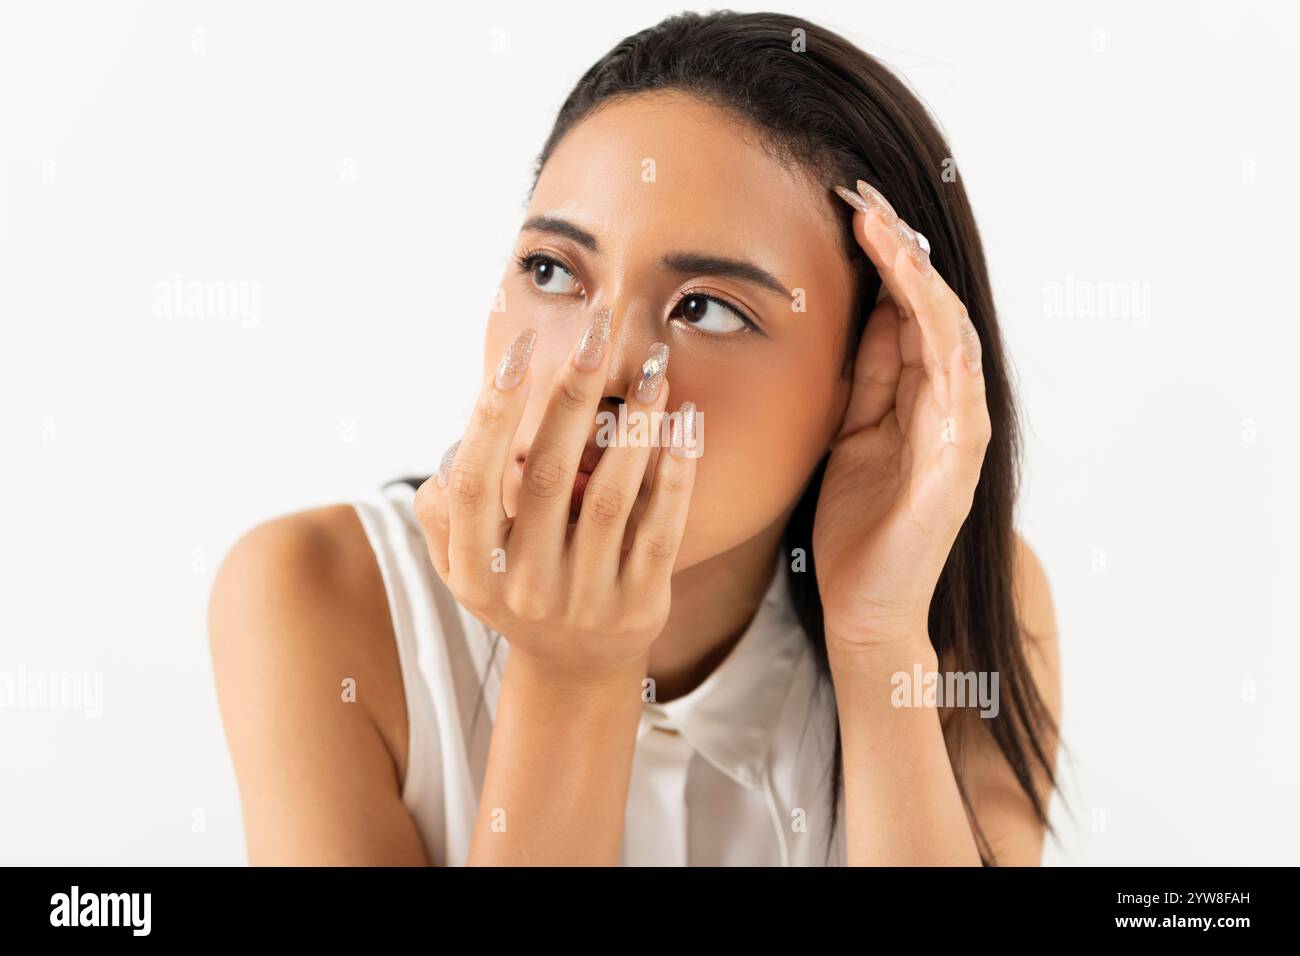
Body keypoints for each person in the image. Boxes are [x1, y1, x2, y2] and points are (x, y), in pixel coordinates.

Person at [210, 10, 1062, 866]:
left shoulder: (957, 606)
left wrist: (879, 642)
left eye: (707, 308)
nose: (605, 366)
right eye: (552, 271)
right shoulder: (313, 596)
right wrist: (572, 673)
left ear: (871, 371)